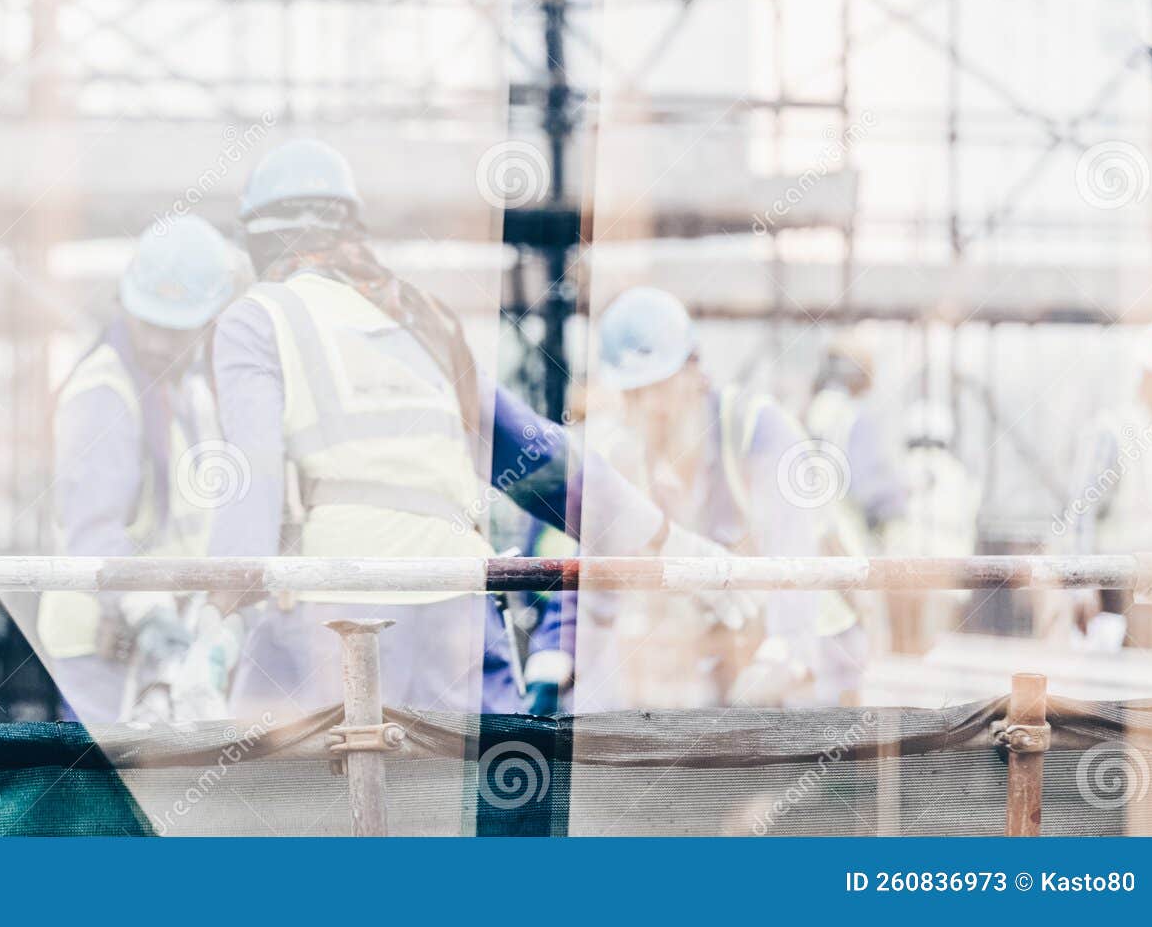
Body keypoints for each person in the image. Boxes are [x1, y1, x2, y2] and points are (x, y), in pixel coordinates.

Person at [207, 139, 676, 719]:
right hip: (457, 598)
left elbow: (250, 481)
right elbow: (536, 458)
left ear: (257, 240)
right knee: (481, 792)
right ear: (352, 229)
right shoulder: (421, 318)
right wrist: (655, 537)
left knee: (290, 787)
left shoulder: (258, 317)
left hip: (336, 604)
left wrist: (219, 603)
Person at [569, 287, 865, 708]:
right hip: (731, 648)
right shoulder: (630, 459)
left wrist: (780, 660)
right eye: (635, 392)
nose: (650, 404)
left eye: (660, 385)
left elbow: (795, 564)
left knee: (792, 753)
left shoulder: (759, 432)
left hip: (818, 639)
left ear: (696, 372)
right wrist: (570, 678)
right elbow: (601, 591)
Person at [36, 216, 240, 724]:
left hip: (167, 635)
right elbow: (93, 531)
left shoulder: (184, 393)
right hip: (110, 643)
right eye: (149, 323)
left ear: (211, 321)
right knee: (116, 799)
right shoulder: (105, 394)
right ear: (125, 306)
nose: (158, 342)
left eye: (176, 330)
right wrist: (150, 614)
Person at [1059, 321, 1152, 648]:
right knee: (1125, 691)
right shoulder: (1113, 431)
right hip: (1119, 595)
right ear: (1149, 378)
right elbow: (1079, 513)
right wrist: (1082, 587)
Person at [804, 329, 909, 572]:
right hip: (843, 542)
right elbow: (871, 490)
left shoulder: (807, 412)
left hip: (806, 542)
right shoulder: (853, 418)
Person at [879, 402, 979, 654]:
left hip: (907, 563)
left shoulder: (902, 467)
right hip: (943, 567)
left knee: (904, 644)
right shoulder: (958, 472)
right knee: (932, 641)